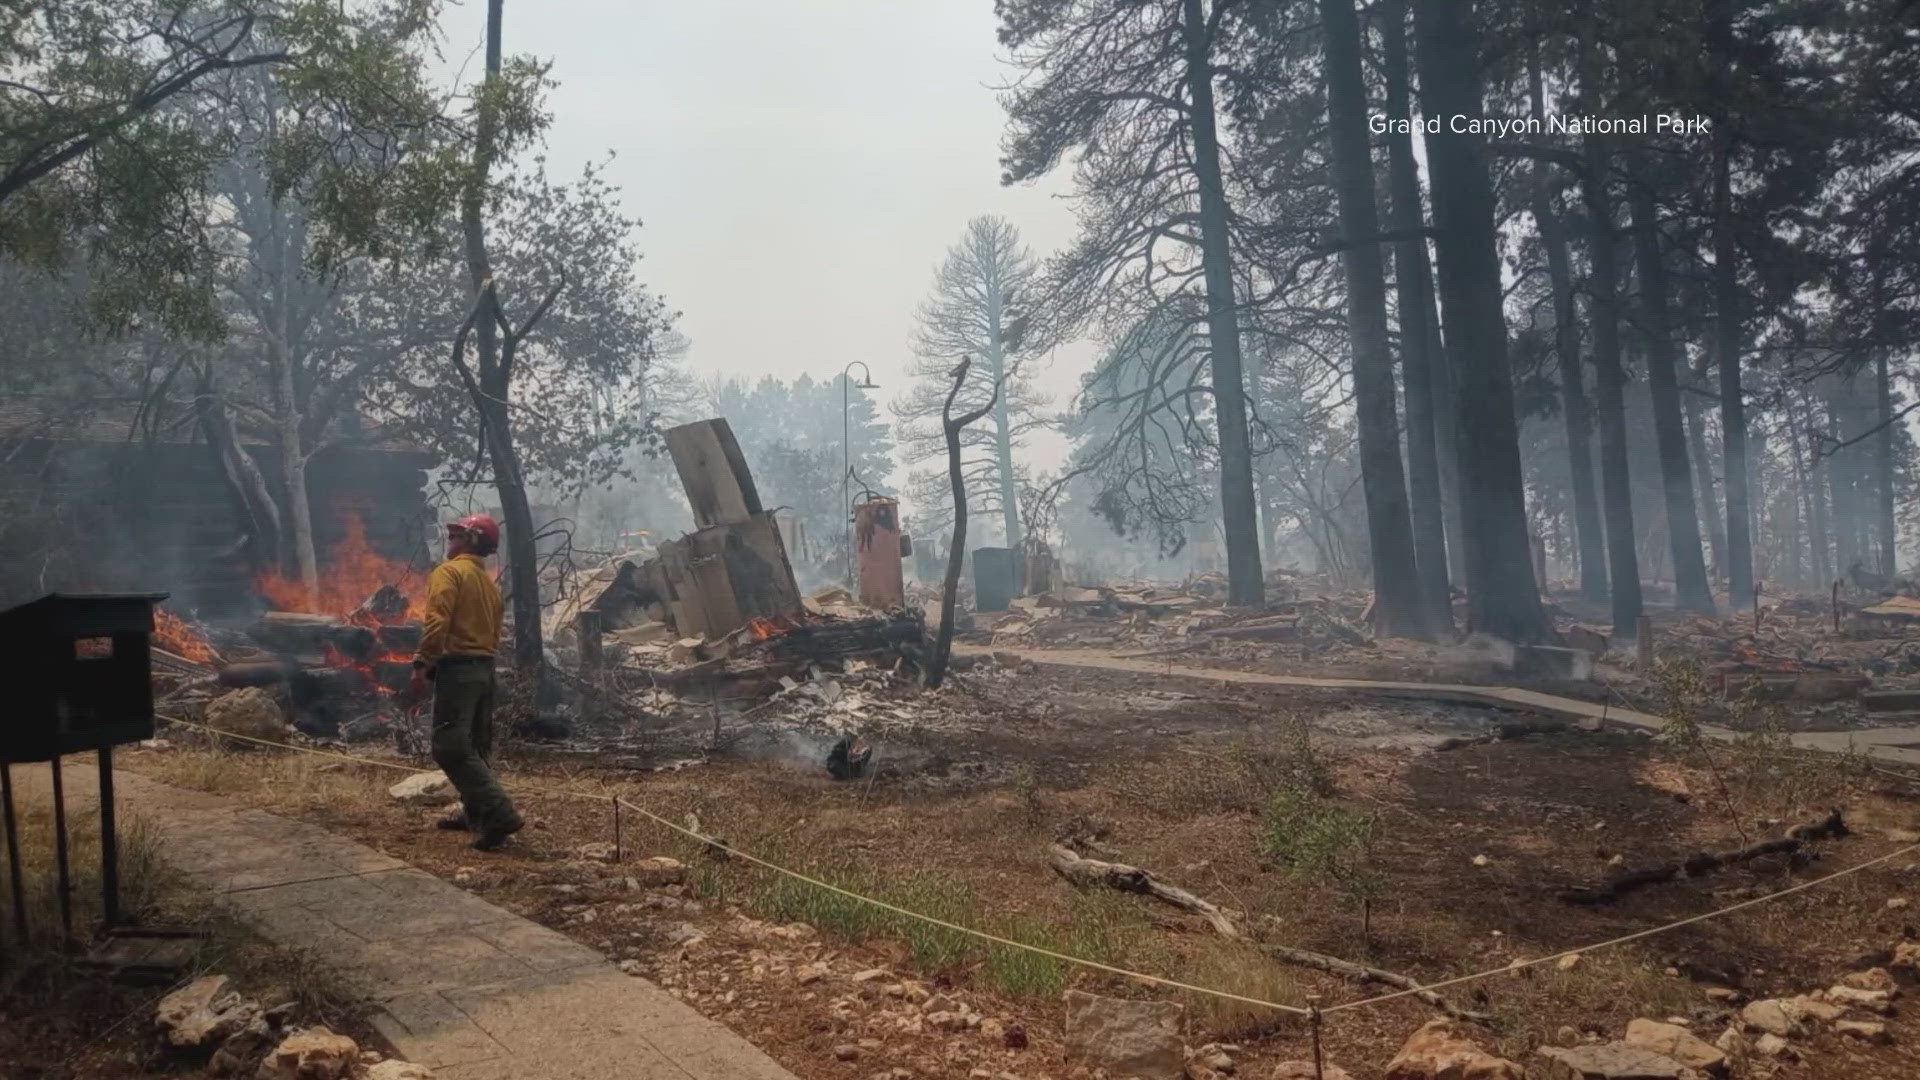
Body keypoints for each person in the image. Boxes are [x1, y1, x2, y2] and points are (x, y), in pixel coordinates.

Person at [410, 513, 523, 851]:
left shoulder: (449, 573)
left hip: (459, 670)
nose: (451, 540)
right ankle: (476, 814)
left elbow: (437, 621)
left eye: (458, 535)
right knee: (474, 744)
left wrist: (423, 662)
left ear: (472, 540)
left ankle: (500, 814)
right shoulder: (487, 584)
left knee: (449, 745)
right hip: (484, 669)